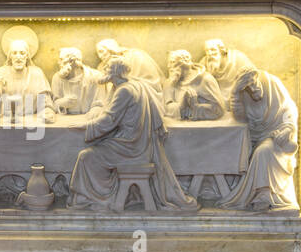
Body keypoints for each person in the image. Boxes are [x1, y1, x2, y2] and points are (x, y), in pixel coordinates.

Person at [69, 57, 198, 212]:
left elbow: (109, 119)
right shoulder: (135, 85)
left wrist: (86, 127)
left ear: (115, 72)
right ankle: (105, 195)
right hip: (137, 143)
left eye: (107, 68)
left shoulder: (124, 90)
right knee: (93, 153)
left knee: (86, 156)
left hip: (131, 147)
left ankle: (100, 199)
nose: (104, 71)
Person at [221, 69, 300, 213]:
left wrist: (288, 129)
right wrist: (235, 94)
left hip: (276, 135)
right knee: (228, 151)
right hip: (253, 137)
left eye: (253, 84)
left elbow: (289, 108)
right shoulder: (243, 95)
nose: (253, 89)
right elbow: (240, 118)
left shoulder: (272, 84)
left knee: (263, 152)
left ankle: (264, 195)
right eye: (248, 88)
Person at [0, 39, 56, 120]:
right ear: (10, 56)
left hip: (31, 121)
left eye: (22, 53)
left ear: (27, 56)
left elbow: (46, 103)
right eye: (14, 53)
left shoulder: (36, 74)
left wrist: (47, 113)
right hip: (6, 121)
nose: (18, 57)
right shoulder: (1, 73)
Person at [165, 50, 227, 121]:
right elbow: (166, 108)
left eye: (172, 62)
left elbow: (218, 110)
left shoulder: (205, 80)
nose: (169, 66)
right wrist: (181, 105)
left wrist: (196, 106)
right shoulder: (169, 82)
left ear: (185, 62)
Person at [96, 39, 163, 94]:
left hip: (142, 96)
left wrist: (130, 86)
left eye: (101, 51)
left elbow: (153, 83)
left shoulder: (136, 56)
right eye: (98, 53)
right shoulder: (102, 67)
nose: (100, 56)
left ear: (111, 48)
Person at [51, 47, 105, 115]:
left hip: (89, 120)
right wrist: (62, 103)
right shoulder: (57, 78)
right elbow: (53, 104)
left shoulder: (95, 76)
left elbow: (101, 102)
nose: (58, 62)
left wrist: (96, 110)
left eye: (61, 59)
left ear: (72, 61)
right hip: (66, 120)